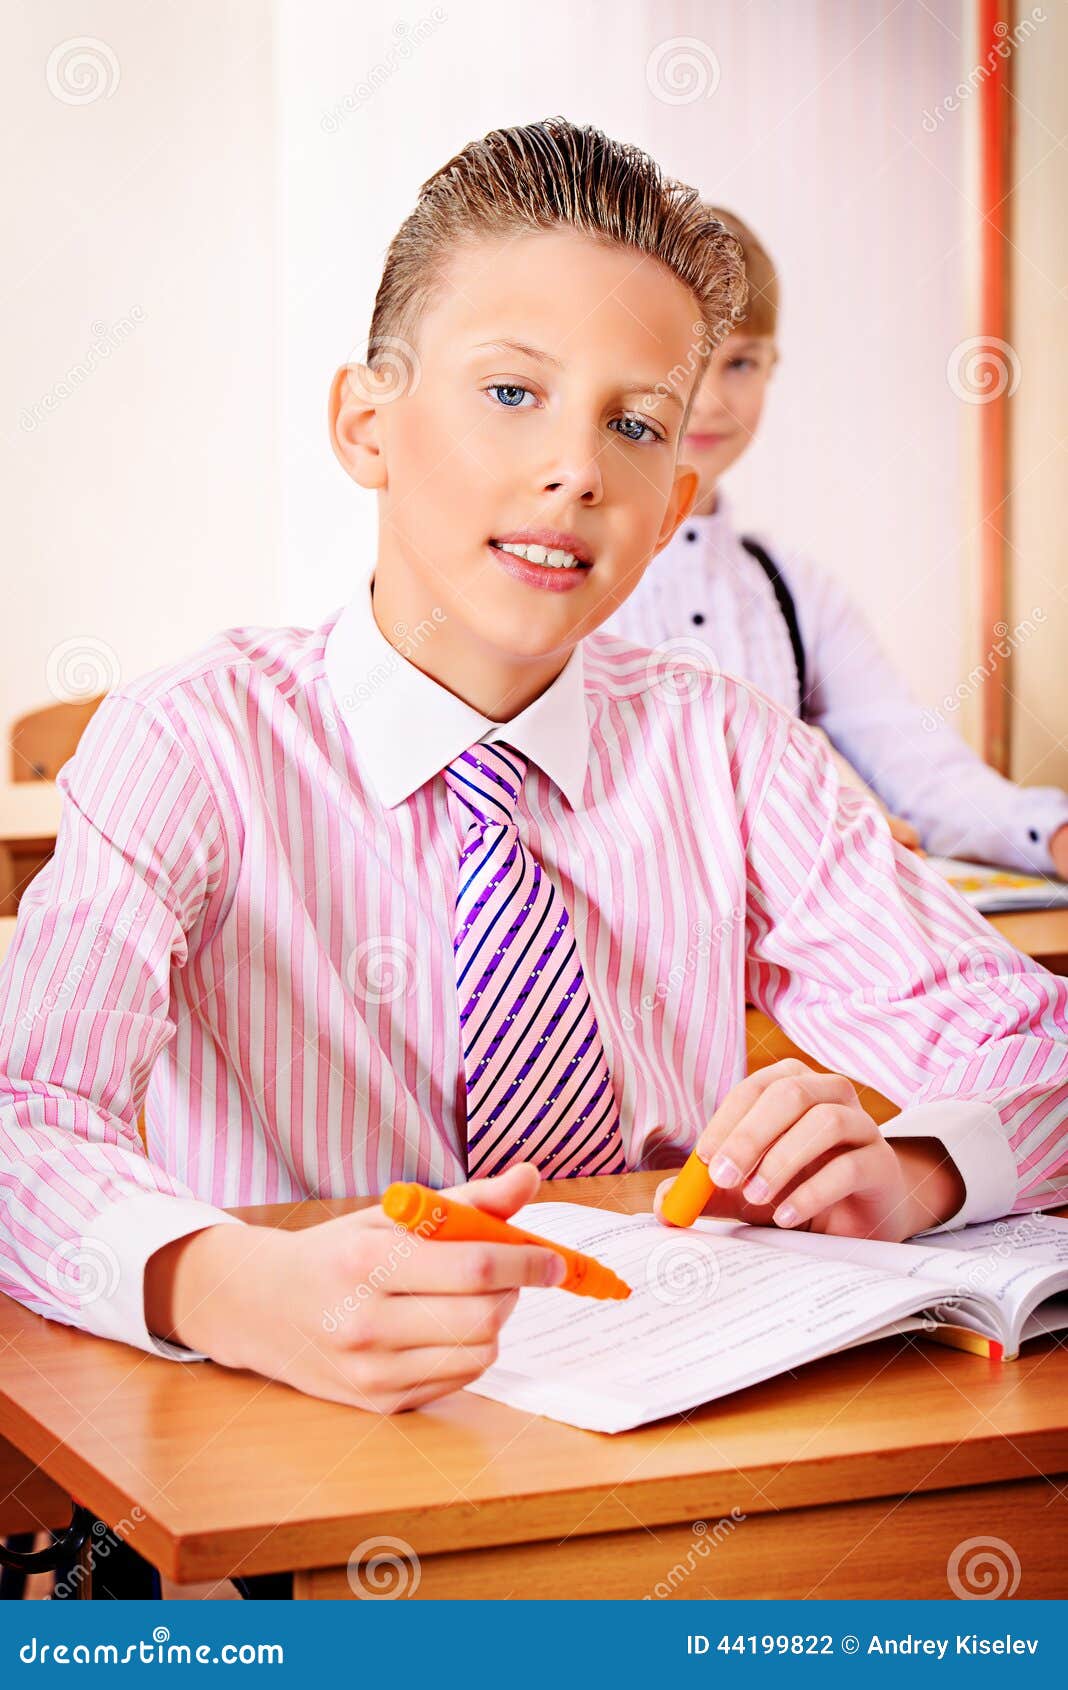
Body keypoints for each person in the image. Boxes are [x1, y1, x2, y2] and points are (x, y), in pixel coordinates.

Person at [1, 119, 1065, 1418]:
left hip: (674, 1410)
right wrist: (225, 1285)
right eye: (513, 393)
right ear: (365, 425)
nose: (576, 471)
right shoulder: (189, 742)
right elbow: (25, 1113)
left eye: (636, 424)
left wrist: (916, 1172)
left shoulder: (729, 749)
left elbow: (1036, 1044)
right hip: (293, 1429)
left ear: (673, 508)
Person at [604, 207, 1068, 878]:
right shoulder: (562, 573)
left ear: (774, 368)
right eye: (686, 363)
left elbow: (921, 769)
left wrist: (1052, 835)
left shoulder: (794, 591)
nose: (708, 401)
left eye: (741, 363)